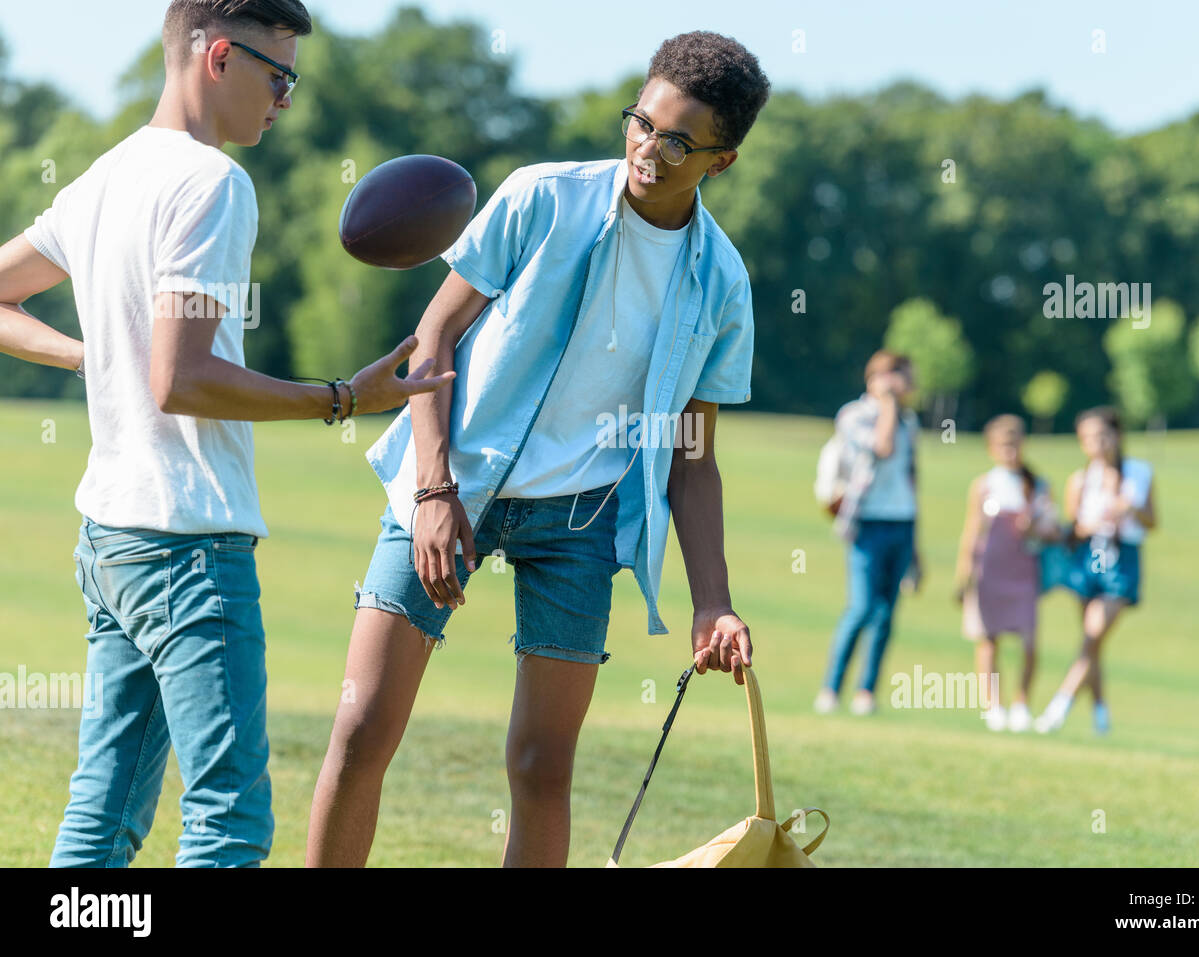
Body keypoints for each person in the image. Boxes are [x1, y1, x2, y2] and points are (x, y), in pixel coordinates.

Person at [0, 0, 454, 867]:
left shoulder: (103, 176)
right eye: (278, 76)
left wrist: (96, 354)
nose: (286, 99)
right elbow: (182, 379)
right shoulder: (212, 183)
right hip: (188, 547)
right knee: (229, 822)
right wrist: (340, 397)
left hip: (111, 542)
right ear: (218, 56)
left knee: (100, 818)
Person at [306, 31, 769, 867]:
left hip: (582, 523)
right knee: (363, 723)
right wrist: (434, 491)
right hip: (450, 484)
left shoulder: (722, 281)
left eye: (676, 141)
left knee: (541, 764)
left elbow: (691, 454)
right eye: (641, 122)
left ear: (721, 160)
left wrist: (713, 600)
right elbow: (433, 338)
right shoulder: (540, 198)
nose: (647, 149)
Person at [1035, 406, 1157, 734]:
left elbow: (1152, 521)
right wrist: (1084, 525)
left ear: (1117, 436)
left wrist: (1131, 508)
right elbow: (1072, 528)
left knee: (1093, 636)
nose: (1096, 443)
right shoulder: (1081, 480)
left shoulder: (1139, 473)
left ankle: (1058, 707)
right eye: (1088, 438)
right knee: (1092, 642)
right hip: (1089, 558)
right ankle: (1101, 712)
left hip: (1120, 558)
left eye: (1102, 435)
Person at [813, 350, 921, 716]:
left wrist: (917, 547)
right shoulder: (854, 416)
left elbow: (911, 476)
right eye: (904, 376)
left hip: (902, 521)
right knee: (860, 607)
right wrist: (887, 402)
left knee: (886, 613)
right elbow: (883, 448)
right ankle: (831, 688)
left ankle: (866, 691)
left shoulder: (910, 421)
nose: (911, 385)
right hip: (868, 522)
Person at [954, 415, 1061, 732]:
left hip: (1023, 569)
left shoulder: (1039, 486)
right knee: (988, 640)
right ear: (991, 448)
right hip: (990, 569)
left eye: (1014, 444)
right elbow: (972, 531)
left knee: (1028, 640)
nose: (1009, 450)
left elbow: (1054, 529)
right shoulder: (983, 486)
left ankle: (1021, 704)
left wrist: (1036, 529)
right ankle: (993, 706)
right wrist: (964, 575)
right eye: (1002, 445)